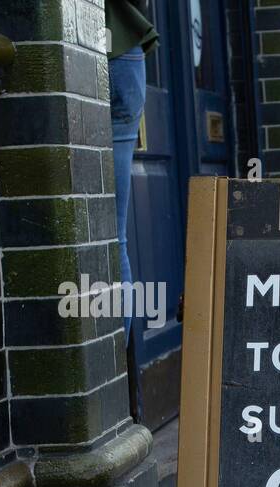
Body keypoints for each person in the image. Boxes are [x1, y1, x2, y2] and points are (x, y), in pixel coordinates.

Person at [105, 1, 158, 334]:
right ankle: (118, 374)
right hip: (125, 50)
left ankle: (115, 375)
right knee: (114, 235)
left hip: (102, 50)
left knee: (109, 235)